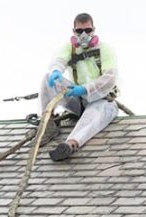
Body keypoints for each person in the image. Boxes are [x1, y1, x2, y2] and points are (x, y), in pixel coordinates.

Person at [38, 12, 119, 161]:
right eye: (79, 31)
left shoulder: (105, 49)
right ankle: (47, 124)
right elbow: (59, 59)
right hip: (79, 100)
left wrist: (85, 89)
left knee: (91, 117)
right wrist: (56, 70)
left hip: (102, 100)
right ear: (73, 31)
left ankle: (70, 144)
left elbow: (110, 78)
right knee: (48, 77)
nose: (83, 35)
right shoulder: (70, 48)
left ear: (93, 30)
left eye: (87, 30)